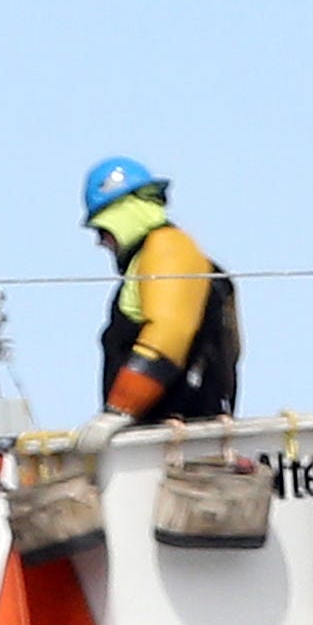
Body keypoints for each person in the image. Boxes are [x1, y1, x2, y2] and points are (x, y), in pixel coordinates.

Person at [72, 157, 242, 458]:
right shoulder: (151, 259)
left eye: (102, 230)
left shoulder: (168, 250)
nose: (101, 243)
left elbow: (167, 337)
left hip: (177, 443)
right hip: (158, 436)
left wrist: (120, 410)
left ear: (123, 217)